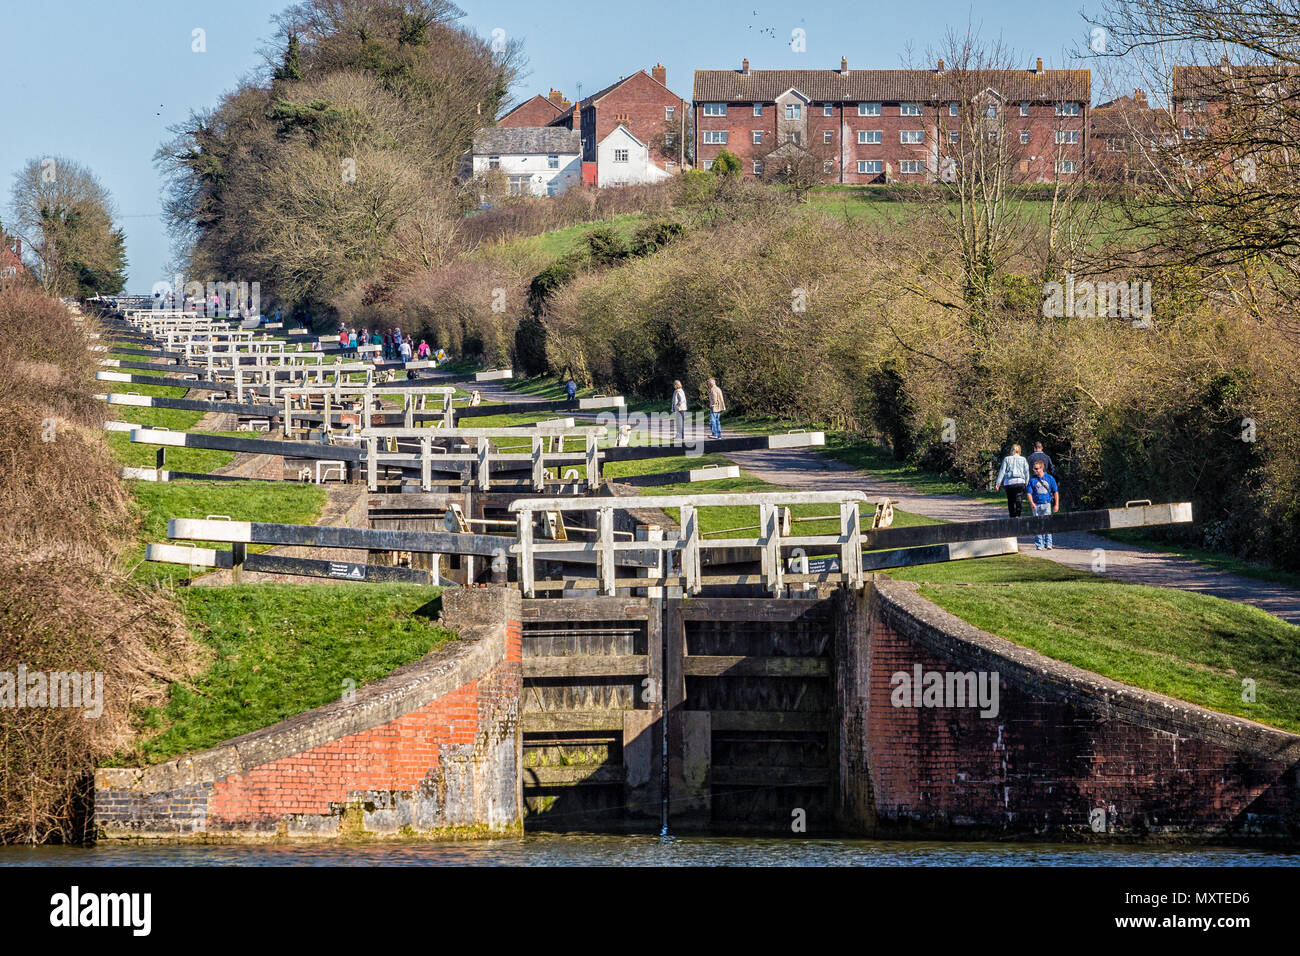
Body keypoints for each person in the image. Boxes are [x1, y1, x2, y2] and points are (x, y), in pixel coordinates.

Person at [1025, 459, 1060, 550]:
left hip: (1046, 504)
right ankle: (1039, 544)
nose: (1035, 470)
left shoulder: (1050, 478)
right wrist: (1032, 503)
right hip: (1036, 505)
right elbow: (1029, 493)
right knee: (1037, 525)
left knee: (1047, 524)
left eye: (1036, 469)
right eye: (1034, 469)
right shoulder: (1032, 480)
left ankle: (1048, 544)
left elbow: (1055, 492)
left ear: (1042, 468)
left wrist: (1056, 504)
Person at [994, 443, 1030, 518]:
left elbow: (1002, 471)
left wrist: (998, 483)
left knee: (1010, 500)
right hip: (1020, 481)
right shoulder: (1023, 459)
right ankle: (1018, 514)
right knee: (1018, 498)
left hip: (1009, 482)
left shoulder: (1007, 459)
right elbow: (1026, 472)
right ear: (1019, 450)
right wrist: (1027, 482)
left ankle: (1012, 516)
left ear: (1012, 450)